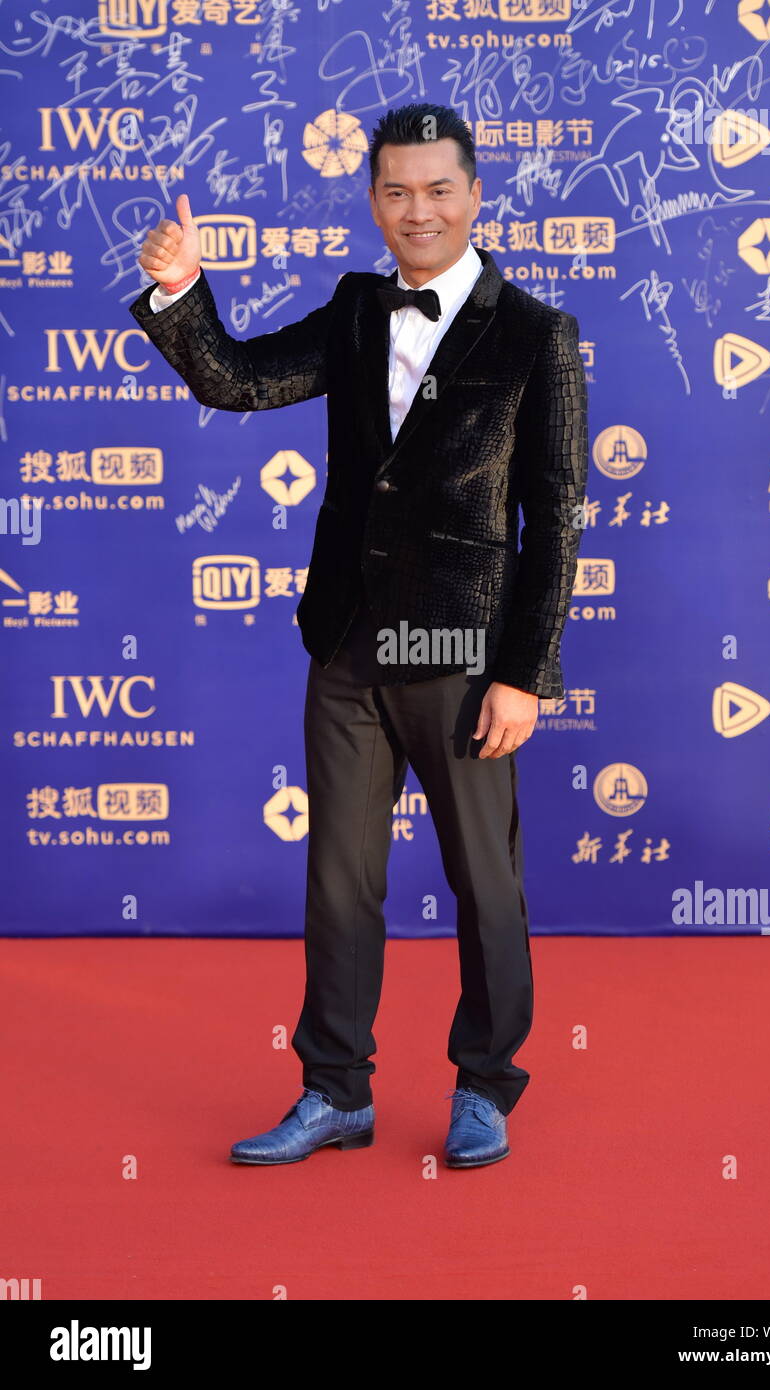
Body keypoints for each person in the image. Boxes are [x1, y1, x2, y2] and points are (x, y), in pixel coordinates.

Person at [130, 102, 588, 1169]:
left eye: (437, 190)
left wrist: (523, 674)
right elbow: (239, 380)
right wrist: (180, 292)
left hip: (461, 659)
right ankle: (335, 1088)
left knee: (484, 876)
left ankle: (484, 1082)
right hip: (344, 647)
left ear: (474, 195)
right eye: (394, 191)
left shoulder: (534, 334)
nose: (415, 210)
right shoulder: (350, 306)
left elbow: (553, 513)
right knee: (337, 878)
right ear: (372, 199)